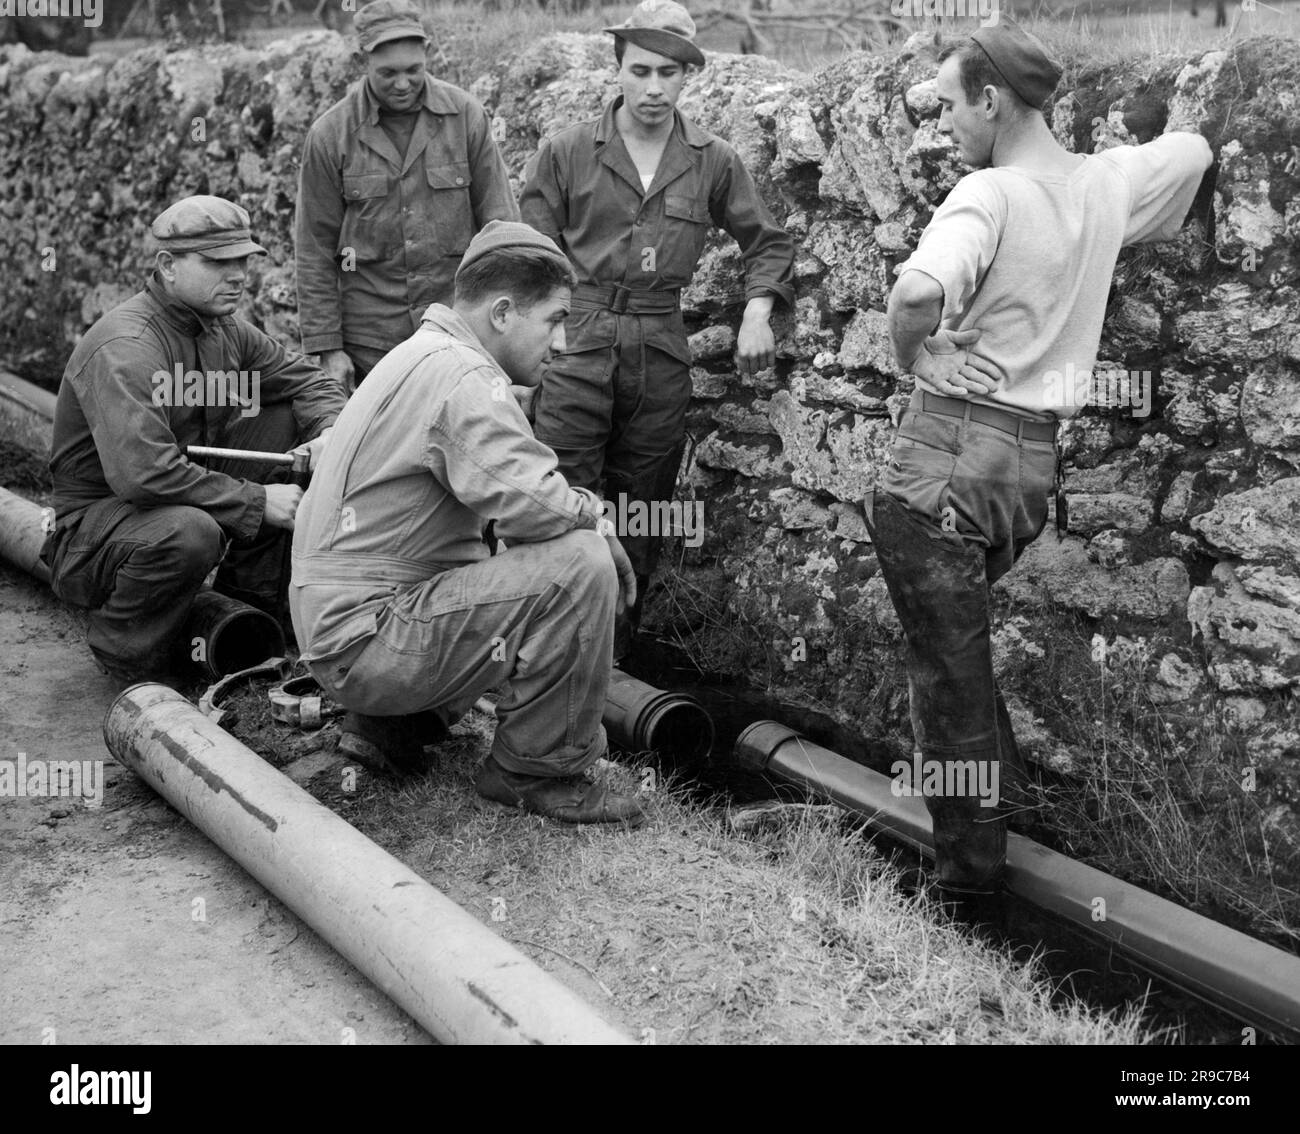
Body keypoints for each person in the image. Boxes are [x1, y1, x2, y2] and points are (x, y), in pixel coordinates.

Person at [867, 20, 1213, 920]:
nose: (944, 123)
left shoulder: (988, 191)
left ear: (991, 100)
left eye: (951, 105)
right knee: (958, 657)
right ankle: (1004, 817)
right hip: (1027, 471)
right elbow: (1194, 149)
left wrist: (917, 355)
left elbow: (916, 291)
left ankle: (967, 886)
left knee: (948, 681)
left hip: (946, 459)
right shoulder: (1104, 183)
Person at [289, 221, 644, 826]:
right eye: (555, 320)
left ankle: (398, 723)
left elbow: (515, 514)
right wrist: (599, 521)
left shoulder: (423, 353)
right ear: (502, 313)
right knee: (581, 563)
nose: (561, 344)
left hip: (343, 626)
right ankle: (535, 770)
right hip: (365, 640)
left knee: (511, 554)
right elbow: (539, 504)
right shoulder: (464, 376)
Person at [520, 0, 794, 654]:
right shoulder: (567, 152)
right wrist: (535, 343)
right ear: (618, 69)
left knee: (641, 507)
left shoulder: (712, 159)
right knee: (557, 493)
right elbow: (525, 253)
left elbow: (766, 241)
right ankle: (542, 658)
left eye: (668, 73)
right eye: (640, 70)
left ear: (686, 76)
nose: (653, 87)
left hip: (660, 345)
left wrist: (758, 310)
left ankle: (616, 662)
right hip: (578, 337)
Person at [43, 195, 345, 684]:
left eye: (243, 261)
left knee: (287, 418)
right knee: (191, 533)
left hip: (178, 496)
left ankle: (246, 608)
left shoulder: (224, 330)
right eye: (217, 263)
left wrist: (328, 433)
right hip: (97, 532)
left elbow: (308, 381)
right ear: (168, 266)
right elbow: (144, 474)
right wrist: (258, 500)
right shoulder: (127, 347)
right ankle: (127, 654)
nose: (238, 276)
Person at [295, 0, 520, 391]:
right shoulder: (330, 135)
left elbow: (502, 229)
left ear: (428, 54)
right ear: (361, 61)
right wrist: (328, 347)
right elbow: (314, 248)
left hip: (457, 332)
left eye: (413, 70)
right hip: (371, 342)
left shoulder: (466, 116)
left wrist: (509, 331)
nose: (402, 84)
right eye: (388, 73)